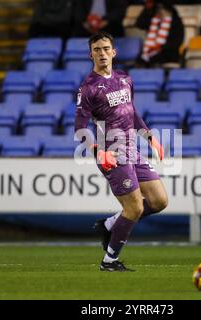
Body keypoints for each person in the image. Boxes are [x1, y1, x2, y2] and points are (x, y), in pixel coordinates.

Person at [74, 32, 168, 272]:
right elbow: (79, 128)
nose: (102, 53)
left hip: (133, 150)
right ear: (90, 54)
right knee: (135, 208)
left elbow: (132, 113)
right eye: (97, 50)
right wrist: (98, 151)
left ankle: (109, 224)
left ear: (114, 52)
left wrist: (150, 138)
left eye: (106, 48)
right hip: (111, 153)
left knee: (159, 201)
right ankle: (109, 262)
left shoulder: (125, 79)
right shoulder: (88, 88)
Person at [135, 0, 184, 67]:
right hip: (151, 53)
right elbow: (139, 24)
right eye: (158, 9)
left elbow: (178, 41)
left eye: (162, 9)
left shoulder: (175, 22)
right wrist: (147, 9)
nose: (160, 12)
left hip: (169, 54)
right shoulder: (153, 20)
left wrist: (161, 47)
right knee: (140, 59)